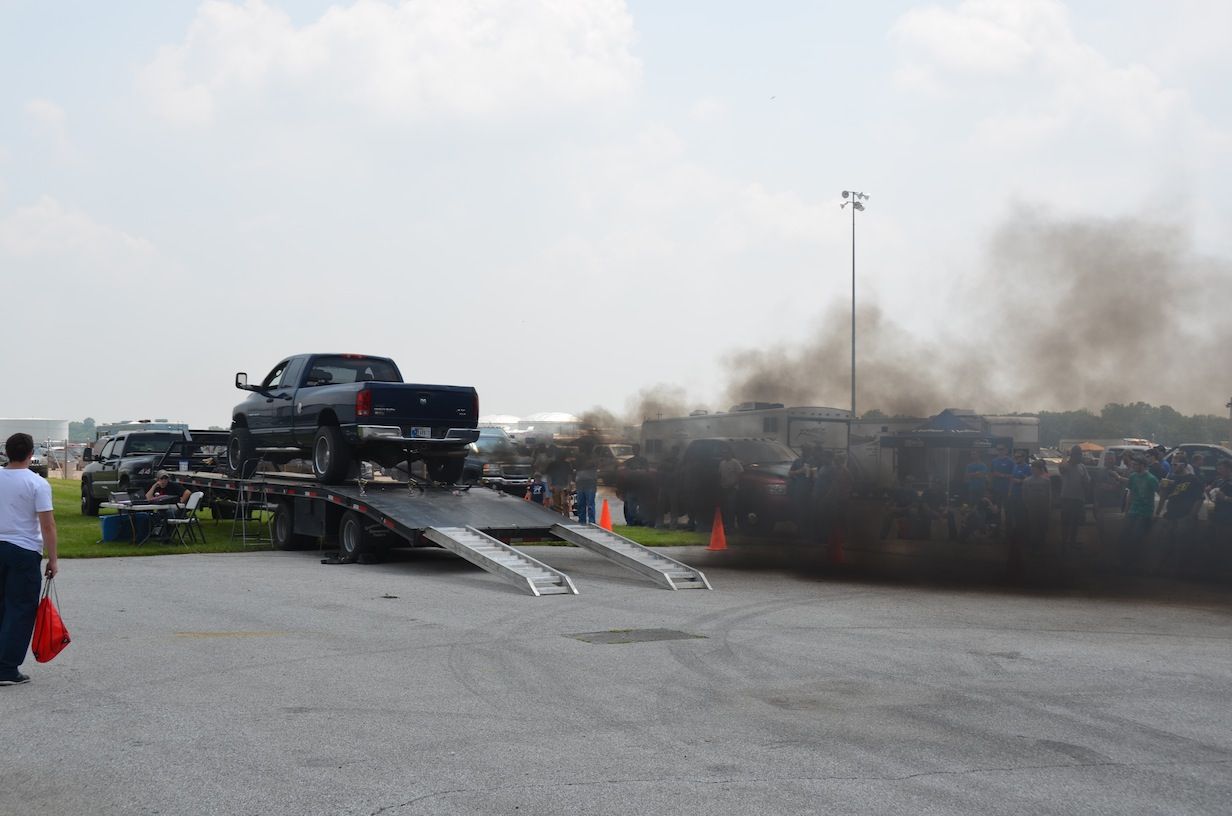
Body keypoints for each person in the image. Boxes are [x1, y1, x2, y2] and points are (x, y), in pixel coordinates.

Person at [0, 433, 58, 686]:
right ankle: (6, 667)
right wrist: (53, 559)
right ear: (30, 454)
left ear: (7, 452)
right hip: (23, 549)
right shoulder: (37, 483)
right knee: (20, 608)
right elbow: (48, 526)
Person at [1155, 458, 1204, 575]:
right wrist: (1162, 487)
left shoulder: (1193, 480)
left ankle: (1177, 571)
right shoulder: (1172, 478)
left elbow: (1199, 499)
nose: (1173, 466)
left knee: (1180, 545)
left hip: (1184, 516)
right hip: (1171, 515)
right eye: (1172, 464)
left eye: (1175, 464)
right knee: (1165, 542)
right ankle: (1161, 569)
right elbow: (1164, 496)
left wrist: (1191, 515)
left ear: (1184, 465)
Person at [1119, 456, 1158, 573]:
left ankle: (1134, 563)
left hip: (1145, 511)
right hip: (1134, 510)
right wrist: (1126, 511)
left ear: (1142, 465)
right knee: (1125, 535)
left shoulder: (1151, 479)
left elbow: (1159, 493)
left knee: (1136, 537)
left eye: (1136, 464)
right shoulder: (1133, 477)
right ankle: (1126, 562)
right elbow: (1130, 494)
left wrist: (1155, 512)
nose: (1133, 466)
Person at [1057, 445, 1090, 549]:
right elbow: (1061, 469)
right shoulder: (1066, 465)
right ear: (1073, 456)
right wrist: (1065, 456)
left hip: (1078, 498)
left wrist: (1085, 483)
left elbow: (1087, 480)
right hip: (1067, 498)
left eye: (1080, 455)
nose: (1080, 458)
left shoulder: (1082, 466)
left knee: (1075, 522)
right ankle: (1063, 543)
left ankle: (1072, 542)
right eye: (1078, 455)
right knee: (1065, 522)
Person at [1020, 459, 1052, 553]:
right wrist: (1026, 504)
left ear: (1040, 469)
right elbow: (1024, 494)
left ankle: (1042, 543)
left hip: (1043, 506)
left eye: (1036, 468)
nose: (1034, 470)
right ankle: (1033, 545)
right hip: (1032, 506)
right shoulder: (1027, 481)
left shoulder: (1046, 481)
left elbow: (1049, 495)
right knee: (1033, 525)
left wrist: (1049, 506)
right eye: (1033, 468)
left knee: (1042, 525)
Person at [1207, 460, 1232, 572]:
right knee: (1216, 542)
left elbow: (1224, 497)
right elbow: (1211, 493)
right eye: (1218, 468)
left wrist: (1225, 498)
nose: (1219, 471)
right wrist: (1208, 491)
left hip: (1228, 517)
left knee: (1225, 543)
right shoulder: (1219, 480)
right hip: (1217, 514)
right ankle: (1215, 569)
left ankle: (1225, 570)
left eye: (1221, 468)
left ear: (1228, 469)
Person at [619, 444, 650, 526]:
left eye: (636, 449)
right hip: (631, 487)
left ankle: (642, 522)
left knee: (642, 507)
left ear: (639, 450)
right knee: (631, 508)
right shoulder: (629, 461)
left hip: (641, 488)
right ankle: (631, 522)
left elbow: (647, 471)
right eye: (633, 449)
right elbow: (624, 474)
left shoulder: (644, 460)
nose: (634, 450)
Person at [788, 444, 815, 534]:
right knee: (798, 508)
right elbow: (790, 473)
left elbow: (818, 474)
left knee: (809, 509)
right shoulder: (797, 461)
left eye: (808, 450)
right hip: (799, 488)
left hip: (811, 488)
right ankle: (799, 527)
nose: (805, 452)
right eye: (804, 450)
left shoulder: (814, 461)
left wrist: (812, 472)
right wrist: (799, 471)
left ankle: (807, 529)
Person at [717, 447, 744, 532]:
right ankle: (726, 525)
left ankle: (731, 526)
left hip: (733, 488)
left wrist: (734, 483)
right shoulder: (722, 463)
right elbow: (720, 474)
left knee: (731, 507)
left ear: (730, 454)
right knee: (725, 508)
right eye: (723, 453)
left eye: (726, 453)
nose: (725, 454)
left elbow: (740, 473)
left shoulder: (735, 462)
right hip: (724, 488)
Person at [656, 445, 681, 530]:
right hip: (664, 485)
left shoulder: (678, 462)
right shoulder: (667, 460)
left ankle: (673, 525)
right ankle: (659, 524)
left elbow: (678, 473)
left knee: (673, 506)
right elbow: (659, 469)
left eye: (675, 451)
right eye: (673, 451)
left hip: (673, 486)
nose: (674, 453)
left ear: (677, 453)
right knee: (661, 506)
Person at [988, 445, 1014, 511]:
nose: (1000, 451)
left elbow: (1013, 475)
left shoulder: (1010, 461)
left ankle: (1007, 521)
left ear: (1006, 450)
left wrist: (1002, 475)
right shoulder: (993, 461)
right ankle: (997, 521)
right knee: (996, 507)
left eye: (1002, 449)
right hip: (995, 488)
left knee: (1007, 508)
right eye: (998, 449)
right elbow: (990, 473)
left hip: (1006, 488)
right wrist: (990, 486)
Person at [574, 457, 598, 525]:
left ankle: (591, 522)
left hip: (589, 487)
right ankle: (582, 522)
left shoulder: (592, 467)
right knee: (581, 505)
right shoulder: (579, 467)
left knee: (589, 505)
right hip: (582, 487)